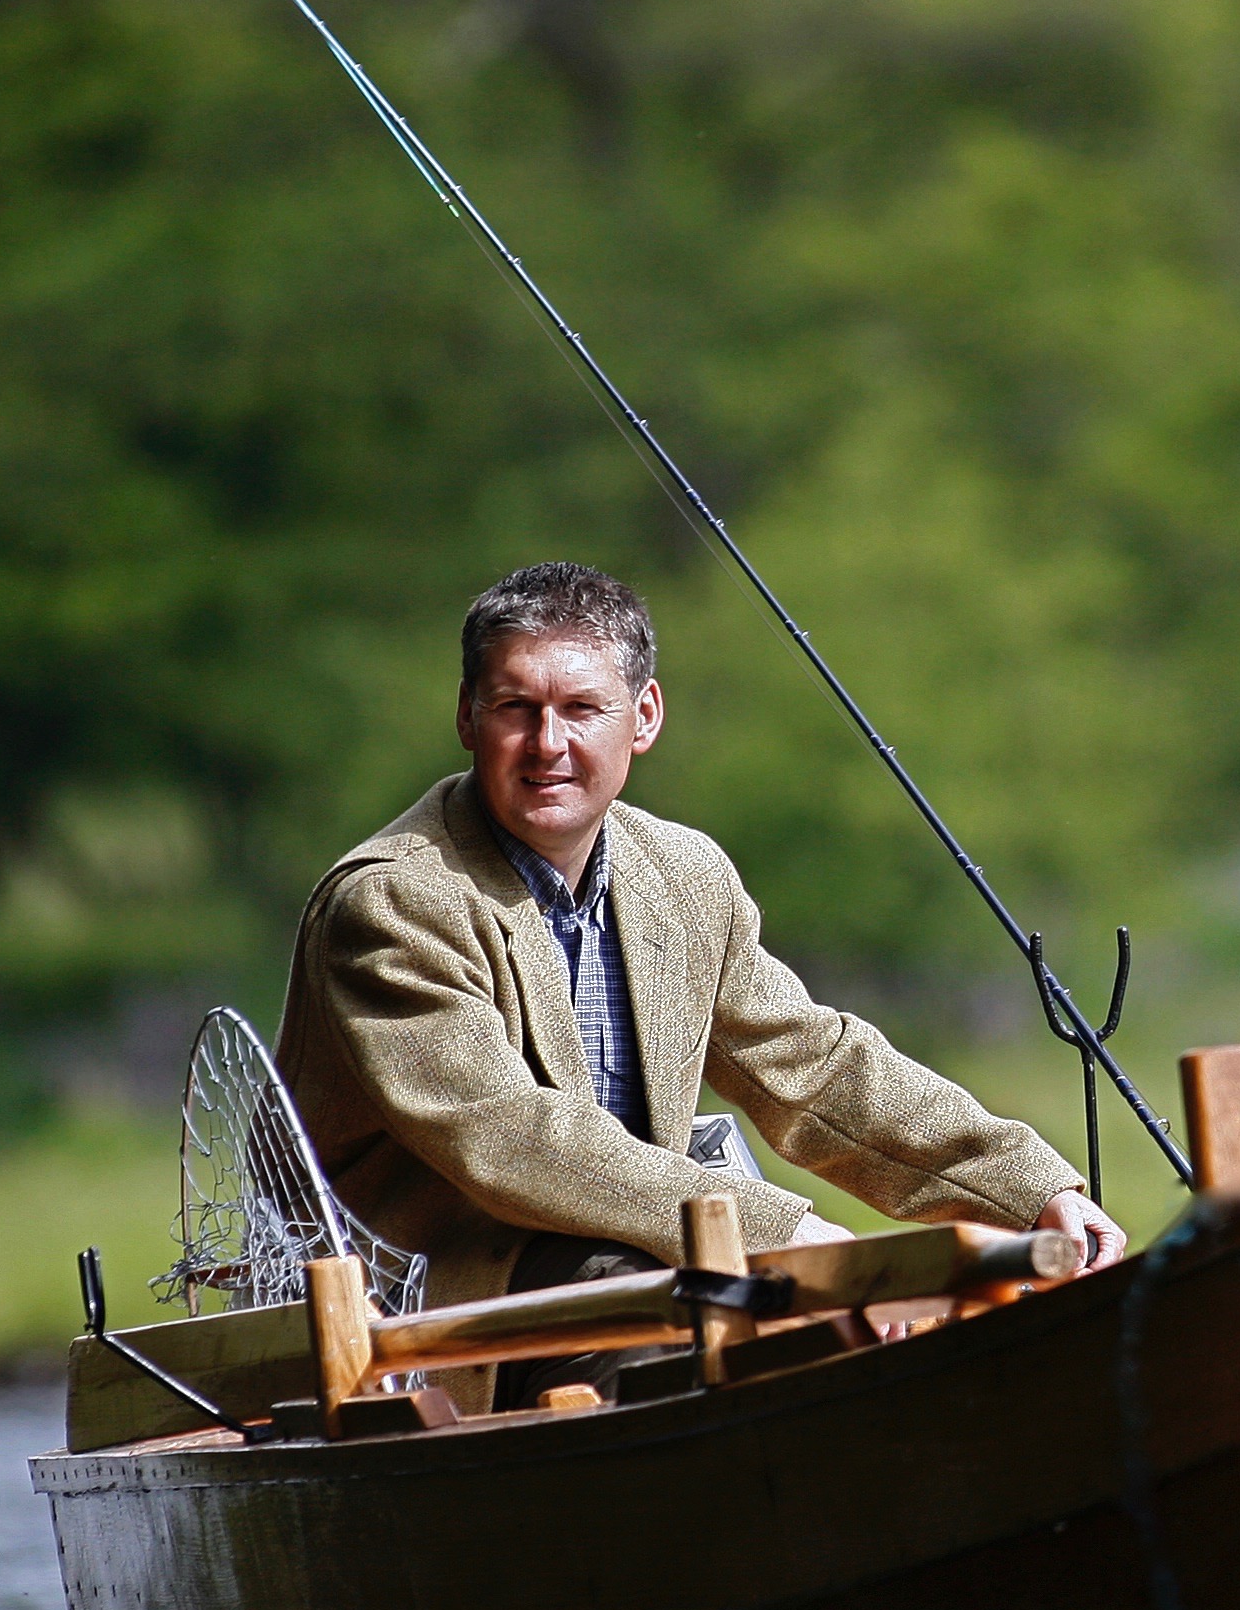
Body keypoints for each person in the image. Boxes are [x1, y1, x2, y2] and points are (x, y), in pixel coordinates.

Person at [280, 562, 1126, 1402]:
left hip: (652, 1251)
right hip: (424, 1304)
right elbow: (514, 1142)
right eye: (515, 709)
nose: (548, 745)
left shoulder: (683, 875)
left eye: (582, 710)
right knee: (683, 1299)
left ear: (642, 718)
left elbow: (812, 1069)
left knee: (848, 1326)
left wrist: (1029, 1188)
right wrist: (778, 1232)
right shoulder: (393, 902)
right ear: (467, 716)